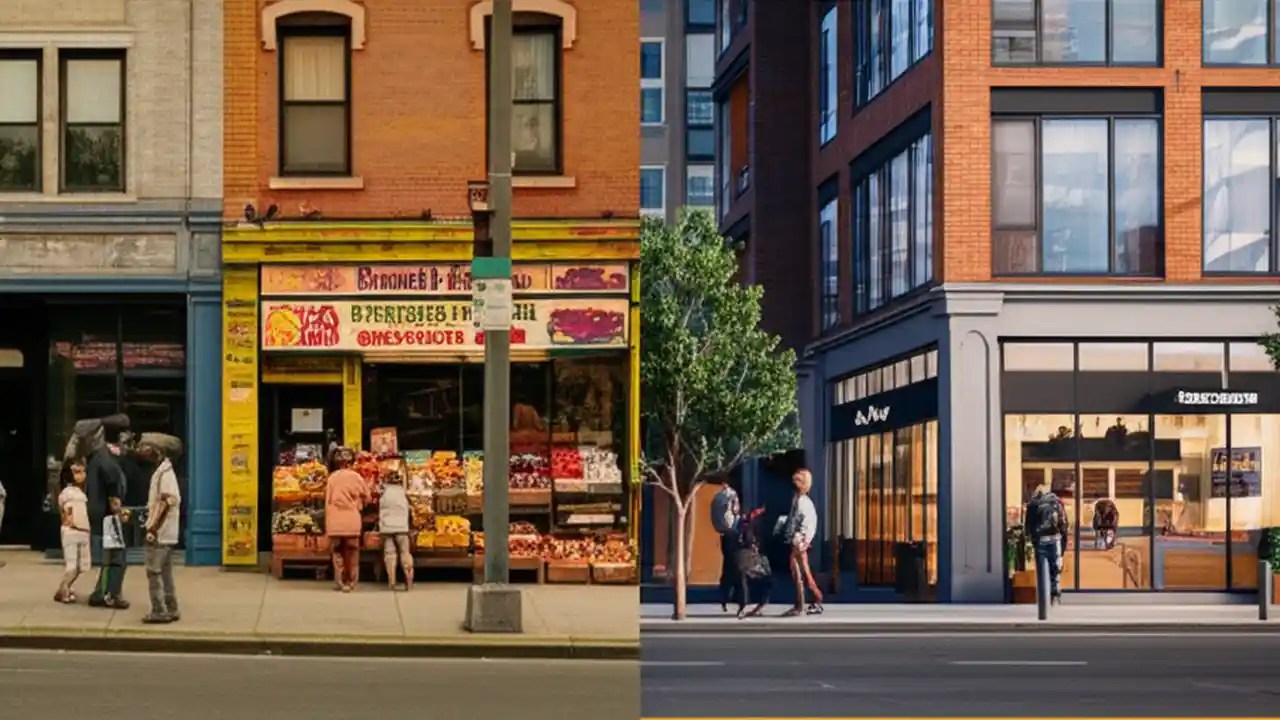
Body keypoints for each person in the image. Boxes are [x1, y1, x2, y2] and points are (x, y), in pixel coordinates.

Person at [139, 433, 183, 624]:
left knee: (154, 572)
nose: (143, 451)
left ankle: (159, 610)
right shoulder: (164, 472)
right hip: (166, 532)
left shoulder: (165, 474)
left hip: (160, 532)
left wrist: (153, 529)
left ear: (157, 451)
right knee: (165, 572)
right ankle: (171, 608)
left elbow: (166, 502)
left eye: (147, 448)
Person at [325, 447, 369, 592]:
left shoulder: (332, 478)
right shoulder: (357, 477)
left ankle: (340, 581)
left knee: (337, 552)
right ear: (351, 462)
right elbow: (367, 497)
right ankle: (352, 582)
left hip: (335, 521)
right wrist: (359, 503)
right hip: (352, 521)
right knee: (352, 552)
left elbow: (328, 500)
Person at [781, 468, 823, 617]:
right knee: (802, 574)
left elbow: (808, 523)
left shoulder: (802, 502)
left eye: (797, 481)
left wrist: (803, 540)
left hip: (799, 542)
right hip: (798, 542)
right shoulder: (799, 500)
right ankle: (814, 600)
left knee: (799, 575)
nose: (794, 484)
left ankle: (802, 605)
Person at [55, 460, 91, 604]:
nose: (82, 475)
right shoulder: (67, 493)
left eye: (83, 471)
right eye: (77, 472)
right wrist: (71, 523)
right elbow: (66, 512)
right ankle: (63, 589)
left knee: (82, 565)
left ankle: (66, 587)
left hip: (83, 530)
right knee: (72, 566)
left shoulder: (79, 492)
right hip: (72, 531)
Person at [1026, 484, 1069, 604]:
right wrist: (1063, 545)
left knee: (1040, 568)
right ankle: (1055, 590)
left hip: (1040, 540)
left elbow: (1028, 526)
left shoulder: (1033, 504)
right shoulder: (1057, 503)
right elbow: (1064, 524)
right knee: (1054, 566)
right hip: (1055, 538)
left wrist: (1031, 540)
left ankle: (1042, 597)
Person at [378, 461, 414, 591]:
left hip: (387, 527)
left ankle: (391, 580)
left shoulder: (383, 491)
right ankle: (408, 578)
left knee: (390, 553)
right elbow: (410, 508)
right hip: (402, 527)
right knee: (405, 552)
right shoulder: (403, 492)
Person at [733, 506, 773, 619]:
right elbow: (748, 541)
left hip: (748, 558)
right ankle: (753, 605)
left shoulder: (746, 524)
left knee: (759, 577)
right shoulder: (747, 525)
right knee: (764, 577)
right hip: (748, 558)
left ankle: (749, 605)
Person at [709, 476, 741, 612]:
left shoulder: (717, 497)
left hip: (722, 533)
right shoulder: (731, 495)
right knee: (735, 565)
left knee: (727, 565)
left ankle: (724, 596)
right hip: (732, 533)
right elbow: (735, 510)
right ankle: (736, 595)